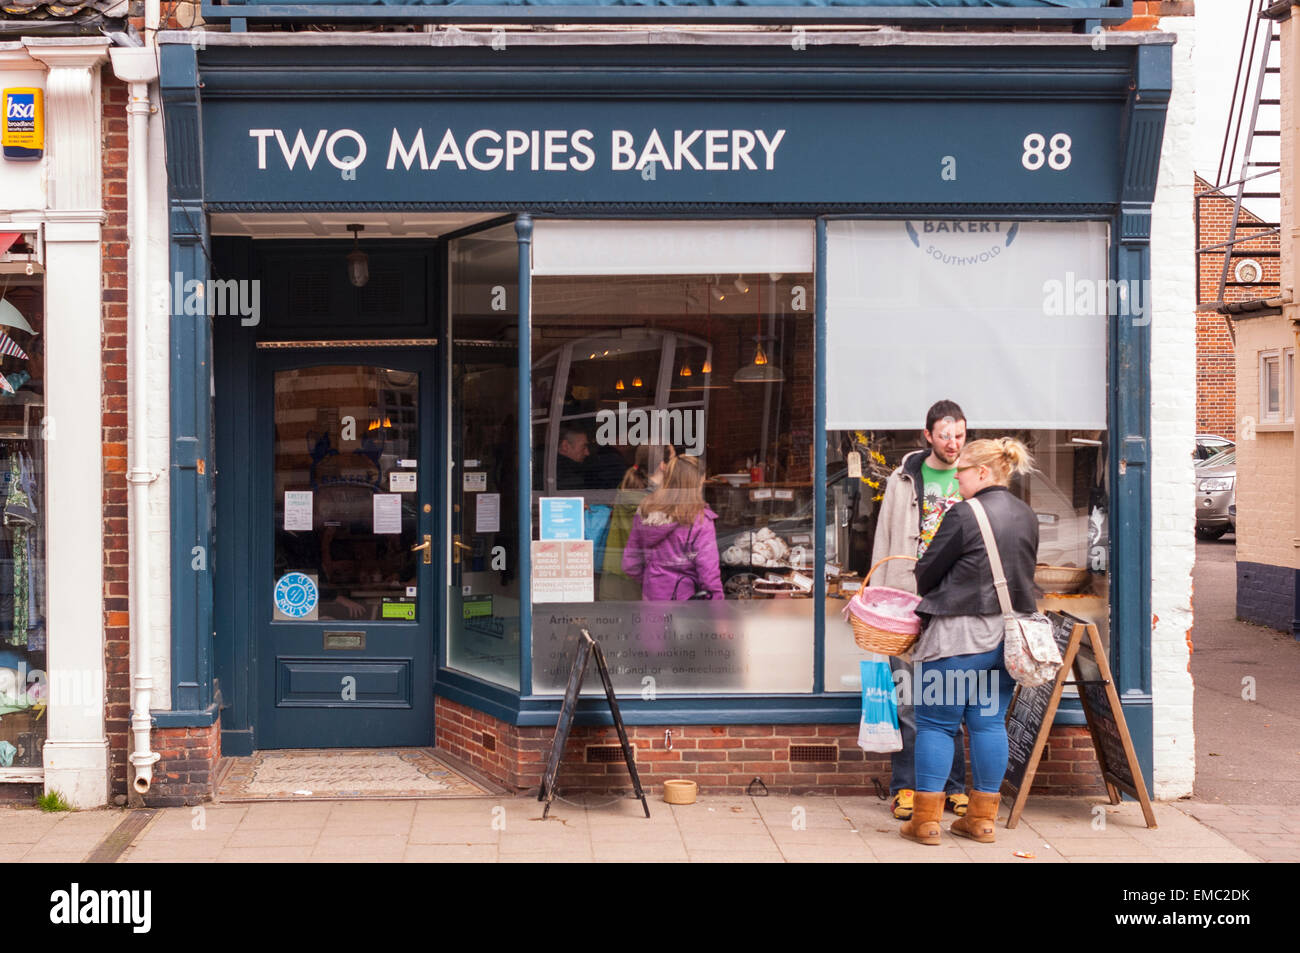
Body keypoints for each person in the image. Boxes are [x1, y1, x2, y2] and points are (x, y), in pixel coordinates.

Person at [899, 437, 1038, 846]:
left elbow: (925, 575)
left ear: (983, 472)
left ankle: (924, 823)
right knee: (989, 723)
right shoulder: (1026, 514)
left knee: (937, 725)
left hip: (959, 639)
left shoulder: (963, 514)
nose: (955, 476)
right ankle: (981, 821)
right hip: (1007, 642)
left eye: (960, 470)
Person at [869, 399, 969, 821]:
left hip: (957, 603)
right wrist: (877, 597)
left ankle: (953, 788)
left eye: (960, 435)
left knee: (953, 698)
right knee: (908, 697)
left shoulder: (971, 477)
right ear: (928, 436)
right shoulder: (903, 478)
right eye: (945, 435)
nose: (953, 443)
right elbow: (885, 536)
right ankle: (905, 788)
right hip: (908, 599)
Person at [622, 454, 723, 601]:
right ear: (697, 482)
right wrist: (719, 613)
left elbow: (630, 564)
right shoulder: (700, 519)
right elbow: (709, 576)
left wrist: (653, 580)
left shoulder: (646, 511)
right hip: (686, 604)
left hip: (651, 599)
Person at [600, 444, 674, 601]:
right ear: (663, 465)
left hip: (615, 578)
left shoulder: (627, 489)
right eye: (674, 460)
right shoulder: (654, 504)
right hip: (638, 586)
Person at [555, 424, 591, 490]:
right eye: (583, 447)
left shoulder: (549, 469)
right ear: (565, 446)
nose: (587, 453)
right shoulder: (570, 480)